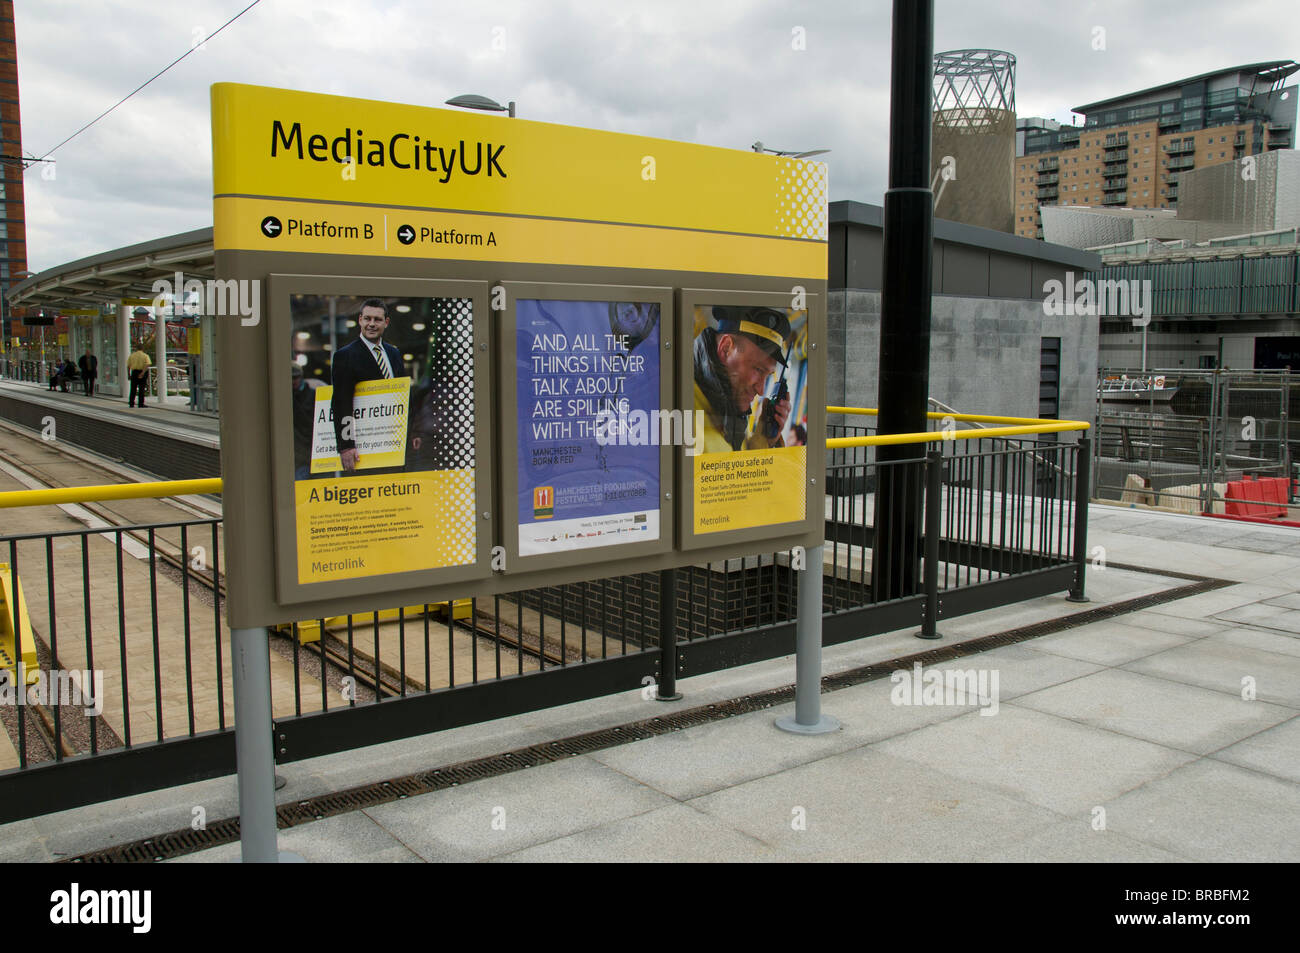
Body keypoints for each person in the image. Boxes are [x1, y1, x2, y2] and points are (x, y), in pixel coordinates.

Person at [692, 305, 792, 453]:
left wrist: (764, 438)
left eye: (767, 376)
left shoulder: (730, 408)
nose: (761, 390)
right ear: (726, 348)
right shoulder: (673, 407)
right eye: (758, 369)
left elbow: (741, 466)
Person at [330, 298, 406, 472]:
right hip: (365, 447)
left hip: (395, 442)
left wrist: (412, 434)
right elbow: (341, 403)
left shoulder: (394, 353)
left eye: (377, 320)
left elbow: (403, 398)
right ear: (360, 320)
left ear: (386, 323)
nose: (371, 324)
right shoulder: (345, 356)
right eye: (367, 319)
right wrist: (346, 446)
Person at [291, 362, 316, 480]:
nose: (293, 381)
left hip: (309, 452)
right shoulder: (287, 398)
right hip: (296, 454)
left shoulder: (312, 395)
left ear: (301, 377)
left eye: (295, 377)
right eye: (290, 378)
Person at [126, 343, 152, 407]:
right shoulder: (145, 356)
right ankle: (141, 403)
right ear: (143, 348)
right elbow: (148, 364)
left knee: (133, 389)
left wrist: (129, 374)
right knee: (141, 389)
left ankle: (131, 403)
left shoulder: (132, 356)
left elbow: (128, 366)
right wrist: (142, 373)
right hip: (142, 372)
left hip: (134, 372)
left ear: (136, 348)